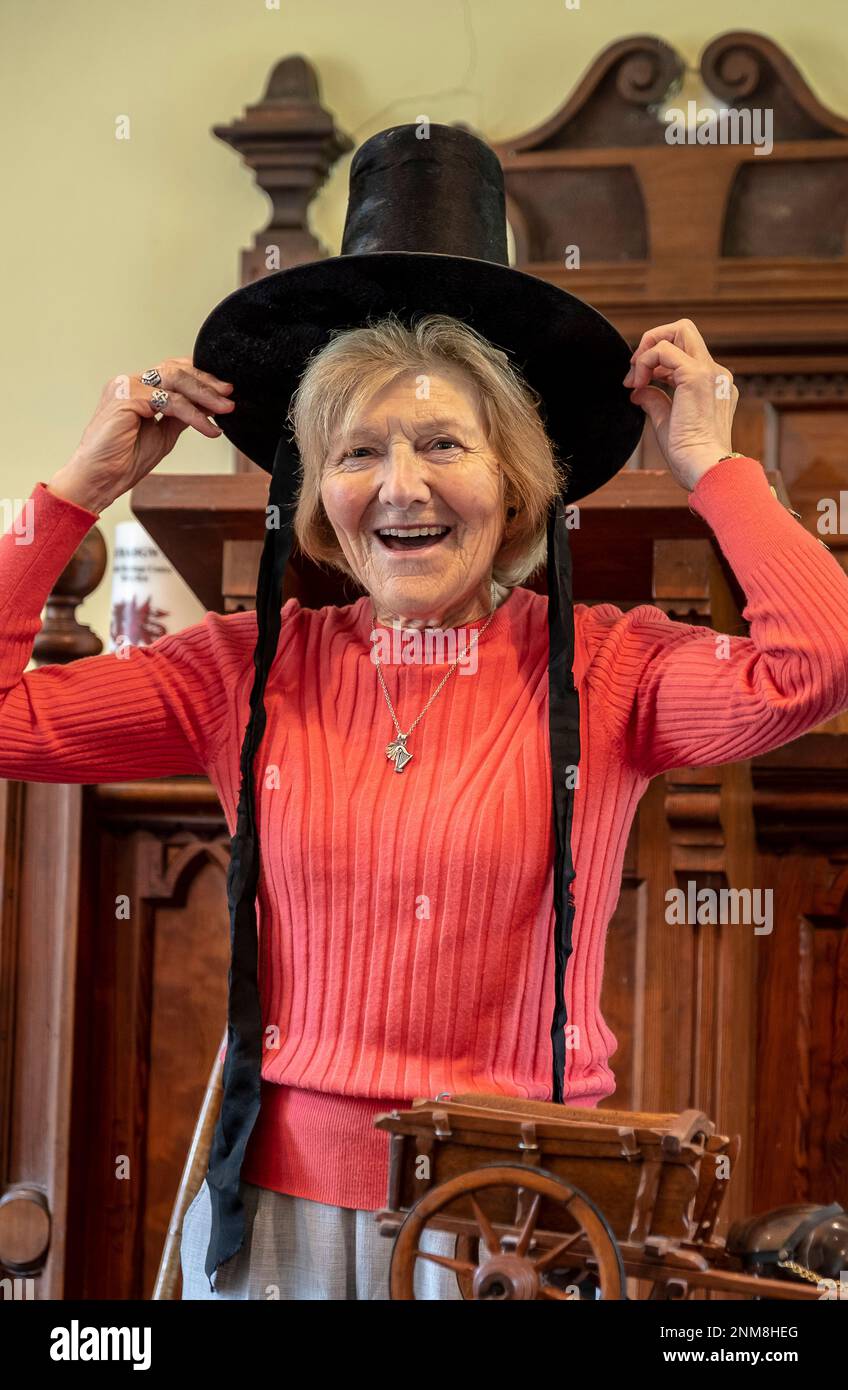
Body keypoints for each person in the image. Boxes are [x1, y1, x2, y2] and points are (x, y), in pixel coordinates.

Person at [3, 126, 848, 1301]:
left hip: (510, 1221)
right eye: (357, 451)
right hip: (269, 1220)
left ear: (510, 484)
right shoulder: (239, 671)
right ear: (316, 496)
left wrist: (714, 459)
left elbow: (817, 662)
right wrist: (78, 489)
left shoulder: (608, 669)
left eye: (442, 442)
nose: (399, 485)